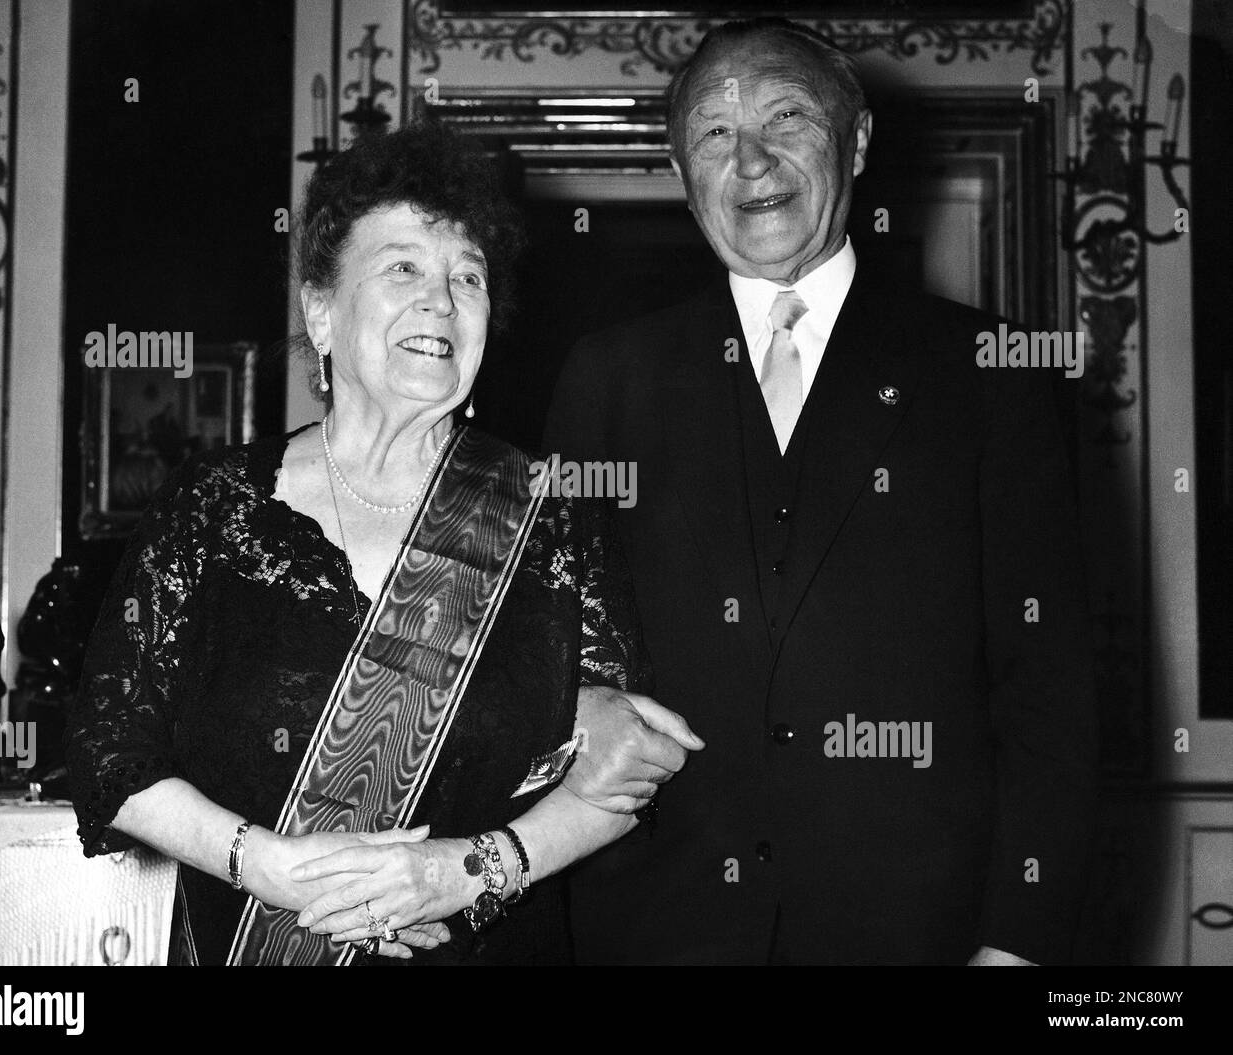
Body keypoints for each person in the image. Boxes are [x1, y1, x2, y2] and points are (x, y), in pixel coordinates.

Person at [66, 122, 701, 966]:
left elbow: (623, 780)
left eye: (466, 277)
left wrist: (463, 872)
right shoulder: (216, 507)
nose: (439, 299)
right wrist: (271, 866)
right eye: (403, 266)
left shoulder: (553, 517)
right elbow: (108, 749)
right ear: (321, 311)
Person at [545, 18, 1097, 965]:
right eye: (714, 135)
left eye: (787, 116)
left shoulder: (989, 371)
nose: (750, 159)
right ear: (683, 174)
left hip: (916, 935)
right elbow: (539, 644)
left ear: (859, 138)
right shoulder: (607, 378)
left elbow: (1048, 692)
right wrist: (576, 707)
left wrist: (1016, 945)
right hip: (651, 931)